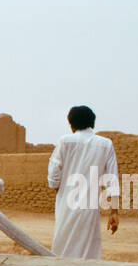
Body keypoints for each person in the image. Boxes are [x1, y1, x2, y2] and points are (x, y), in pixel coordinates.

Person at [47, 105, 119, 258]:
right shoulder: (106, 144)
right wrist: (114, 211)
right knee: (88, 250)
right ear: (92, 122)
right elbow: (112, 179)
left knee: (63, 246)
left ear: (71, 124)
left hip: (65, 204)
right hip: (89, 207)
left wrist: (58, 188)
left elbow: (53, 172)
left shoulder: (65, 141)